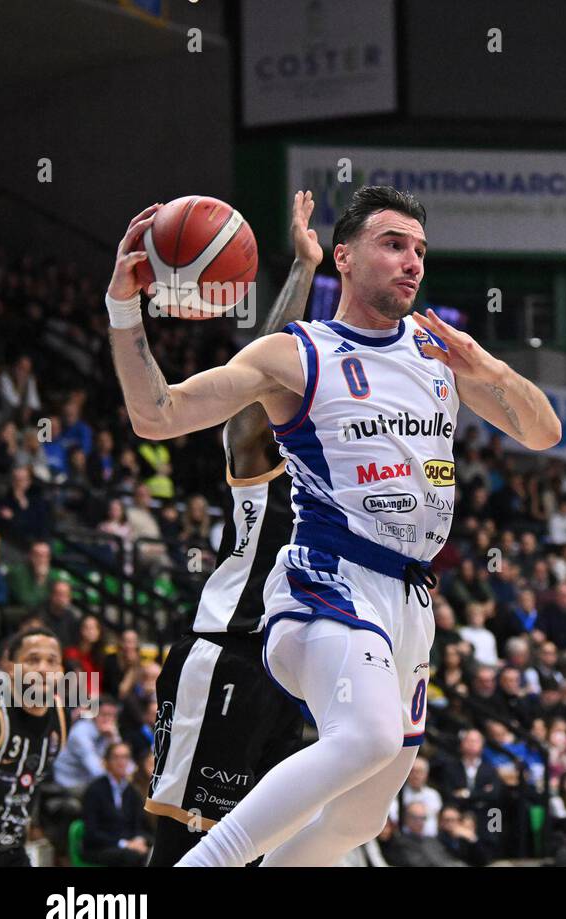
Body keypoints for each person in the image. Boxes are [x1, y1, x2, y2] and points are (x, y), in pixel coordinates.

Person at [103, 185, 558, 868]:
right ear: (342, 256)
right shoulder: (296, 353)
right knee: (368, 734)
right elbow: (158, 415)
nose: (413, 262)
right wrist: (123, 305)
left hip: (412, 600)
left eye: (420, 250)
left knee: (360, 815)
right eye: (394, 244)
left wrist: (485, 365)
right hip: (327, 579)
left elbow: (542, 430)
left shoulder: (439, 354)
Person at [145, 192, 320, 865]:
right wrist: (303, 272)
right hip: (222, 657)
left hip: (282, 679)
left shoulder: (332, 481)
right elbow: (255, 381)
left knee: (250, 852)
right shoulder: (260, 459)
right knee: (183, 841)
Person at [0, 626, 68, 866]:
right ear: (9, 666)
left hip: (11, 849)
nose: (43, 670)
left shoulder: (60, 717)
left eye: (52, 661)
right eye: (32, 660)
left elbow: (31, 782)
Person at [81, 741, 151, 865]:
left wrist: (138, 840)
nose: (121, 762)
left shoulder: (131, 791)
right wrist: (124, 844)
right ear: (107, 762)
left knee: (154, 849)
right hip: (100, 847)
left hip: (128, 846)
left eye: (125, 757)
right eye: (116, 757)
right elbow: (92, 833)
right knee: (131, 856)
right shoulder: (94, 790)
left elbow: (139, 824)